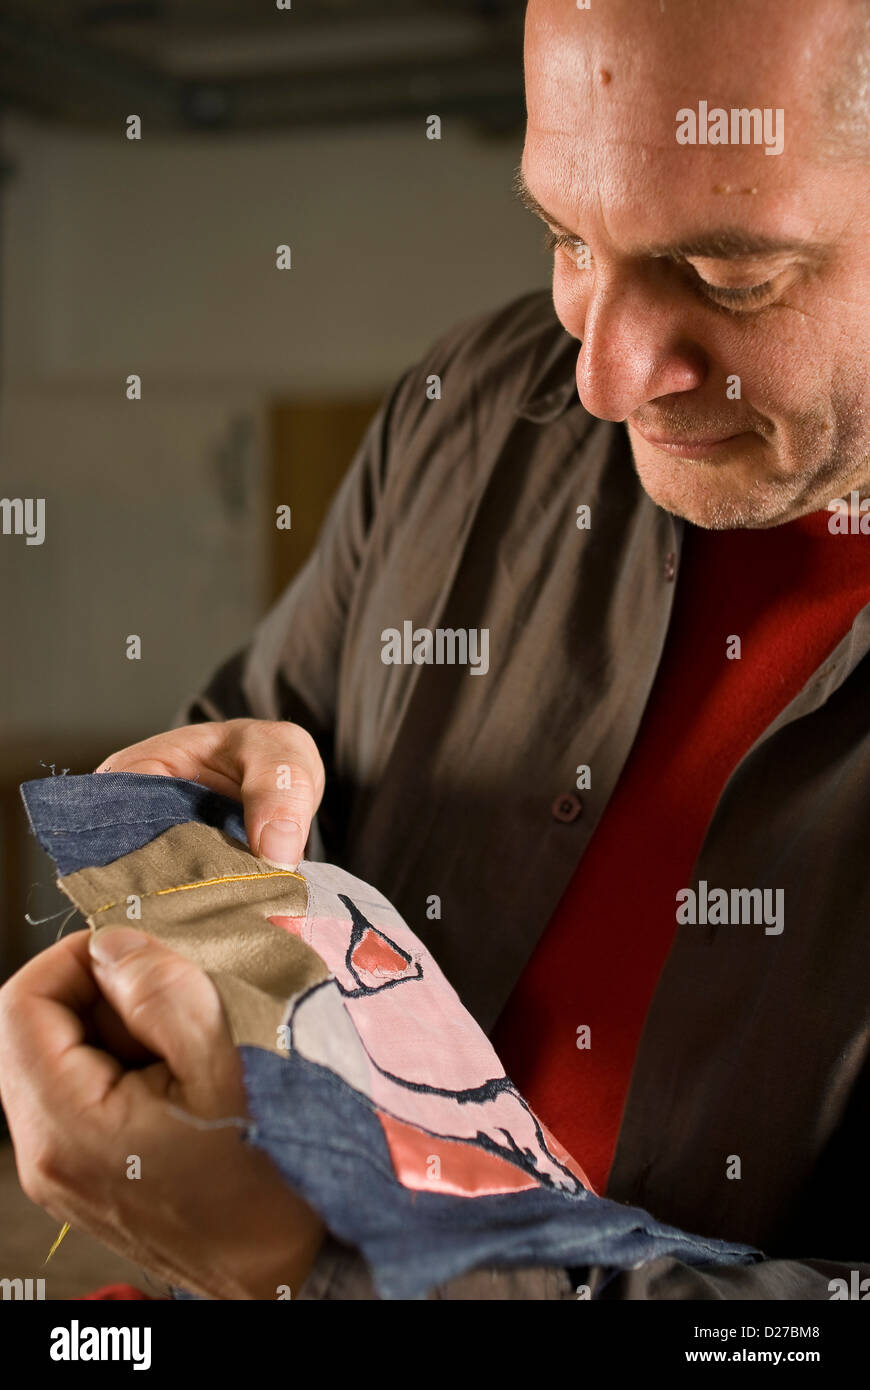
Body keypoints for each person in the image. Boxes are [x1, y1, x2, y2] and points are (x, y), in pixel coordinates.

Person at [3, 0, 870, 1300]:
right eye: (565, 237)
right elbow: (227, 783)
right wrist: (181, 843)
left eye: (729, 275)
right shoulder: (473, 412)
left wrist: (316, 1268)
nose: (603, 377)